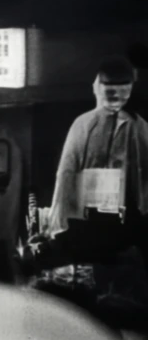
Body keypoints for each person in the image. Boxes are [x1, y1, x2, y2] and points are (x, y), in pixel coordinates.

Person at [47, 56, 148, 235]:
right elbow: (66, 174)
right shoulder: (85, 124)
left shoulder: (138, 127)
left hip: (123, 223)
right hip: (91, 221)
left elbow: (65, 175)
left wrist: (57, 228)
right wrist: (58, 226)